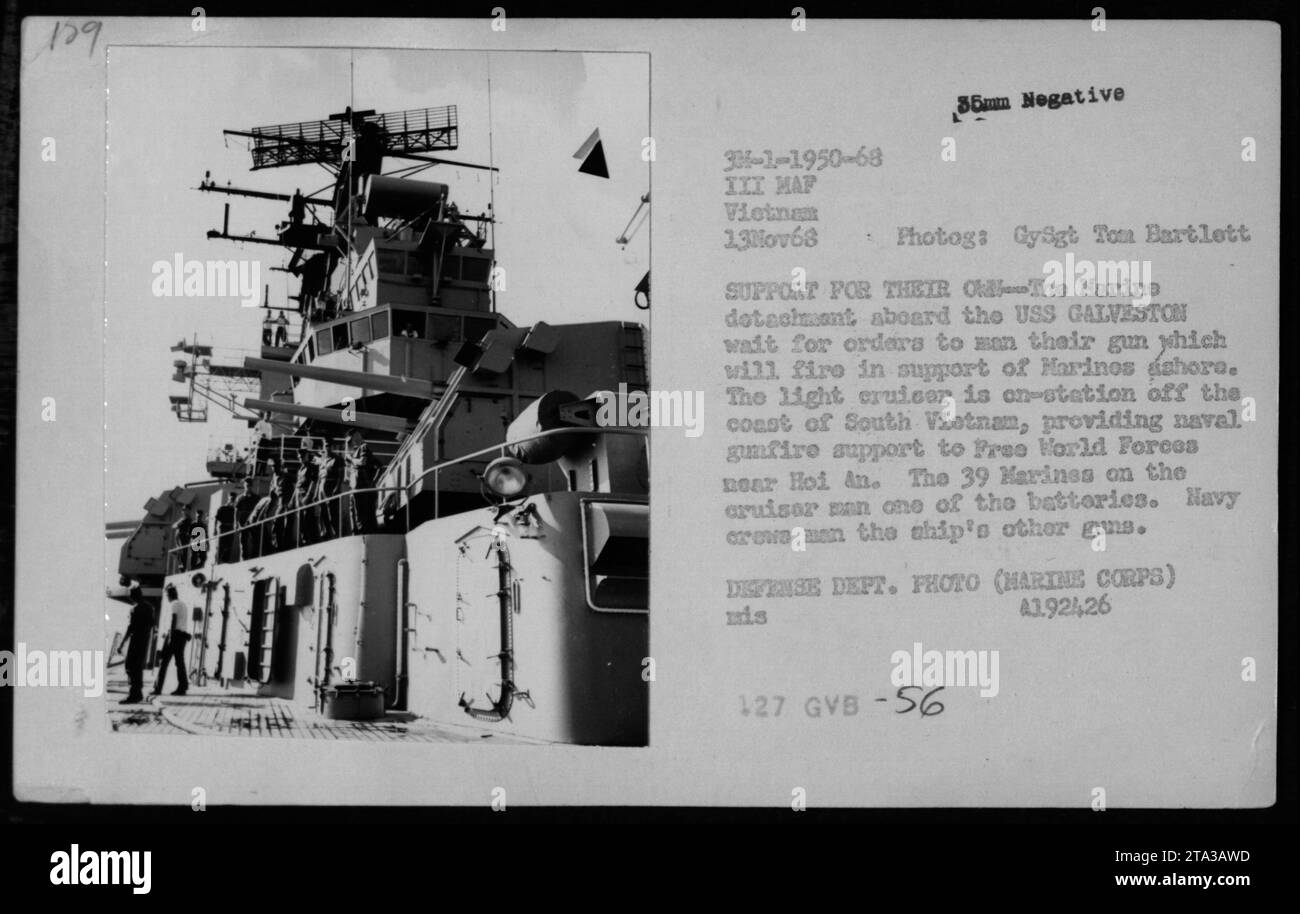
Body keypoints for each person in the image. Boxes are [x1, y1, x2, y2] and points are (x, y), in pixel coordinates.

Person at [150, 584, 191, 697]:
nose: (167, 597)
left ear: (170, 595)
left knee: (163, 663)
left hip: (174, 635)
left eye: (167, 595)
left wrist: (170, 637)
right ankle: (183, 687)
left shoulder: (174, 604)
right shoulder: (183, 605)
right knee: (180, 663)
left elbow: (173, 619)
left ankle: (158, 688)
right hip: (182, 636)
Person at [115, 586, 153, 704]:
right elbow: (151, 624)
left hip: (136, 640)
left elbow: (130, 627)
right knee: (138, 667)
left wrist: (122, 644)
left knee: (130, 666)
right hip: (144, 641)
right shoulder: (149, 608)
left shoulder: (135, 609)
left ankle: (134, 695)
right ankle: (138, 693)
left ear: (133, 596)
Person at [345, 429, 377, 534]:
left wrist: (351, 459)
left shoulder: (363, 447)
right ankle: (357, 532)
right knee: (354, 513)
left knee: (361, 515)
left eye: (352, 438)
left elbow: (363, 462)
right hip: (355, 487)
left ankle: (361, 533)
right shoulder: (354, 451)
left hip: (361, 487)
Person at [292, 438, 320, 546]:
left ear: (306, 456)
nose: (300, 458)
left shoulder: (312, 467)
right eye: (299, 456)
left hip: (306, 497)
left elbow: (314, 481)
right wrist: (293, 500)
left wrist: (308, 496)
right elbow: (298, 485)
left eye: (301, 456)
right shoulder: (301, 469)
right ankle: (304, 541)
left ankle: (312, 542)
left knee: (309, 520)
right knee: (302, 522)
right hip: (299, 497)